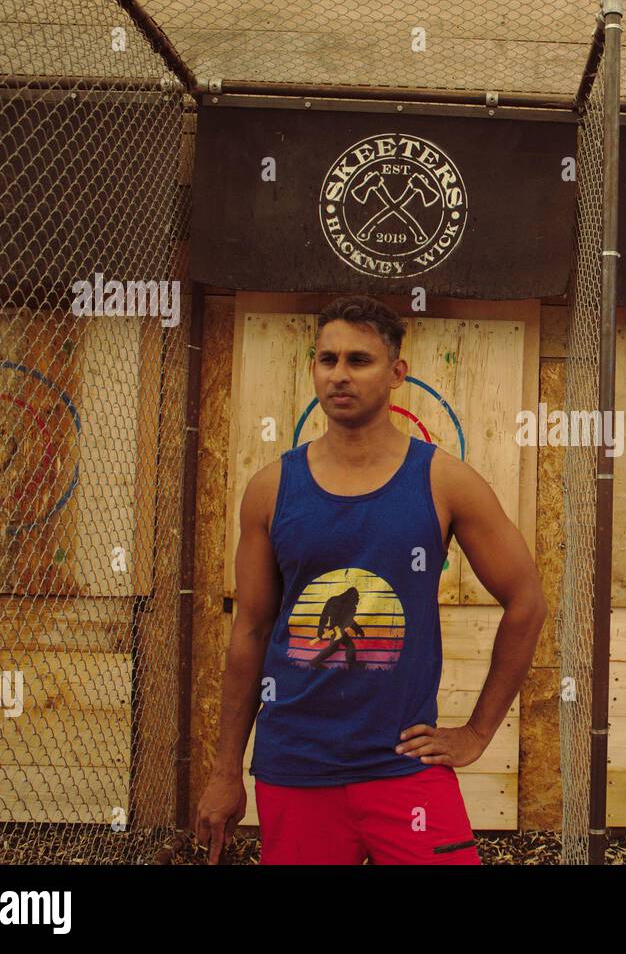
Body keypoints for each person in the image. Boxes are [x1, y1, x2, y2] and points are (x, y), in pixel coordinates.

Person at [195, 295, 547, 865]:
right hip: (296, 766)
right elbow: (251, 633)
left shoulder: (444, 481)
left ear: (396, 373)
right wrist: (223, 772)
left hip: (404, 767)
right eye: (326, 359)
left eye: (359, 360)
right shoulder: (270, 489)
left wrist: (478, 733)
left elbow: (526, 601)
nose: (339, 374)